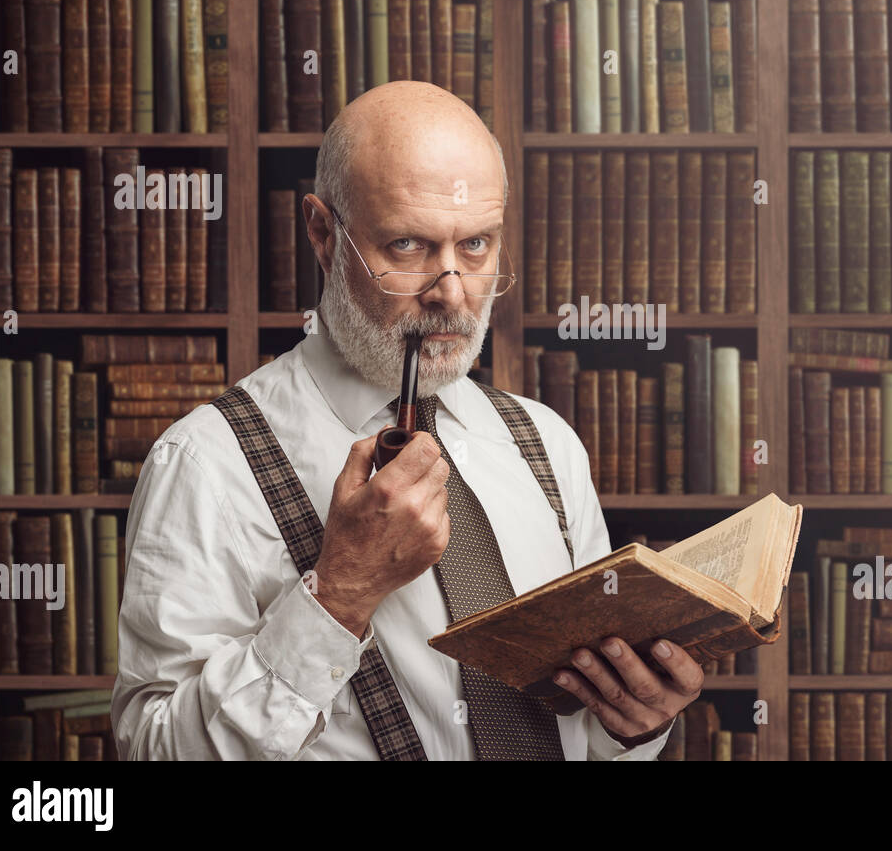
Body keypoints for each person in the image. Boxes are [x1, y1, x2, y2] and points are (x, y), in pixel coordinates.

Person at [111, 81, 703, 760]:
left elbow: (592, 742)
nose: (450, 292)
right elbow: (152, 751)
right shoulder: (205, 462)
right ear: (322, 233)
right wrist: (338, 594)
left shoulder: (546, 443)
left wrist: (636, 724)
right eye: (408, 246)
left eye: (476, 245)